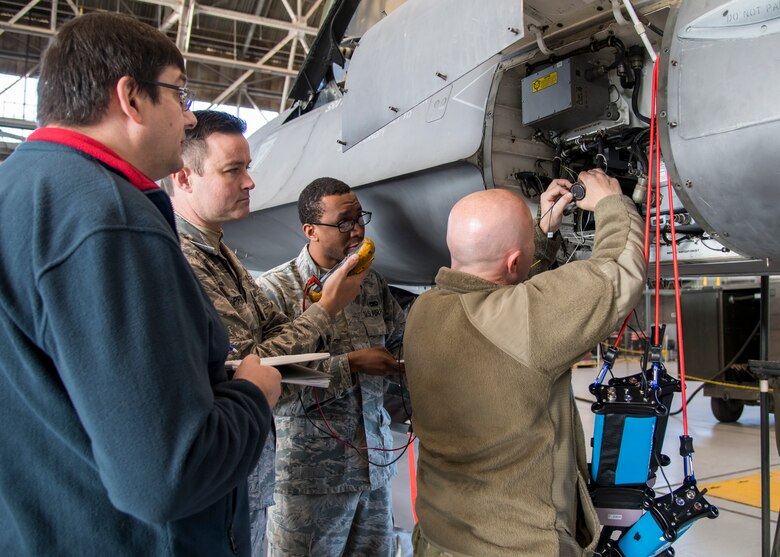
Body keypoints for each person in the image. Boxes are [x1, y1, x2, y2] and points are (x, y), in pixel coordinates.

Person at [0, 13, 285, 556]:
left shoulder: (18, 189)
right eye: (180, 94)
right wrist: (253, 392)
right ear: (130, 98)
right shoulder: (109, 220)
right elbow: (169, 475)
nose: (187, 115)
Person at [403, 171, 646, 556]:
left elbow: (504, 293)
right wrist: (610, 204)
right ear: (515, 259)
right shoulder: (521, 320)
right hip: (518, 545)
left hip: (438, 537)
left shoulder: (424, 311)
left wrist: (541, 234)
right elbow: (618, 273)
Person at [162, 110, 367, 555]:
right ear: (184, 176)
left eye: (248, 167)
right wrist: (327, 309)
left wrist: (321, 363)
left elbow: (274, 345)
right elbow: (251, 365)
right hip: (223, 477)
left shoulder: (221, 252)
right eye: (233, 170)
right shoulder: (185, 259)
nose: (250, 182)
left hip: (250, 469)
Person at [257, 177, 406, 557]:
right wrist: (351, 365)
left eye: (360, 218)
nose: (356, 230)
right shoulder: (277, 290)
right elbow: (269, 379)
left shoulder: (371, 285)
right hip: (310, 480)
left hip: (374, 471)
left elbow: (400, 341)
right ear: (311, 231)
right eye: (343, 222)